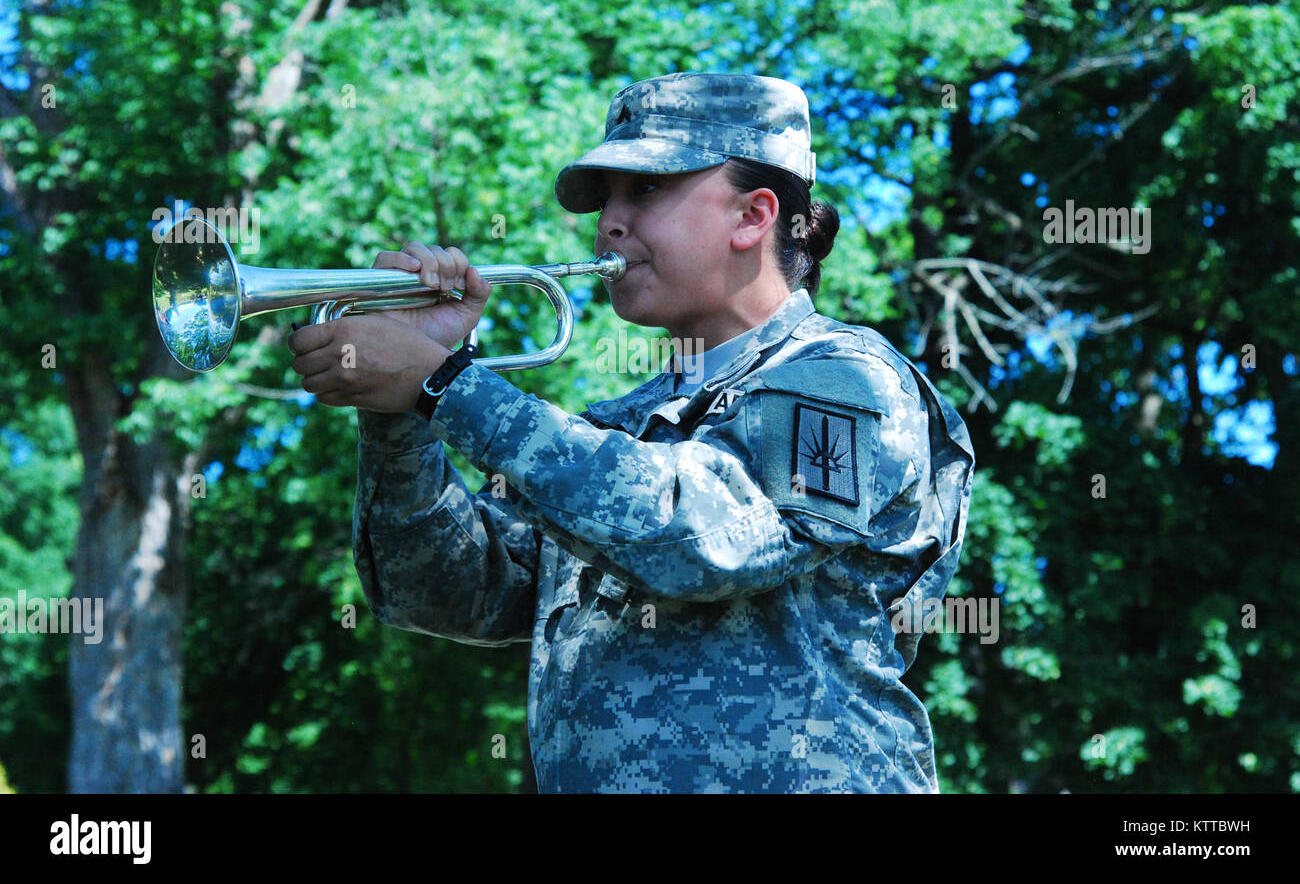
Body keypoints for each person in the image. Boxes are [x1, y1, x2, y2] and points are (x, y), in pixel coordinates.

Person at [287, 72, 975, 793]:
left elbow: (711, 543)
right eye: (605, 200)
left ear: (753, 216)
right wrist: (397, 414)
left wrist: (447, 386)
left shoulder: (846, 380)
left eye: (644, 191)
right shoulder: (616, 426)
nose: (609, 222)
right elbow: (440, 592)